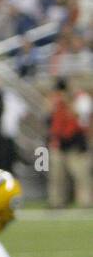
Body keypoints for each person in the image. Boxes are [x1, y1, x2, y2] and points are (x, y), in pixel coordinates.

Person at [47, 79, 92, 207]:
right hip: (59, 143)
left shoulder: (80, 99)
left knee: (81, 174)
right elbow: (51, 120)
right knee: (57, 176)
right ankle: (56, 202)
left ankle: (86, 202)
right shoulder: (55, 101)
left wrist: (68, 102)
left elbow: (81, 120)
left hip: (75, 143)